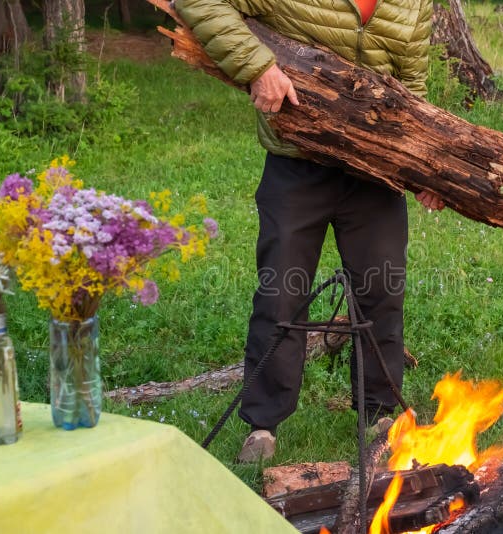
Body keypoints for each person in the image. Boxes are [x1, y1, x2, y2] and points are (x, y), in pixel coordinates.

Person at [176, 0, 444, 462]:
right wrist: (257, 67)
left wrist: (422, 165)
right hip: (297, 166)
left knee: (382, 292)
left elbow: (412, 88)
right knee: (281, 294)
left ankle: (381, 413)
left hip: (375, 176)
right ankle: (263, 423)